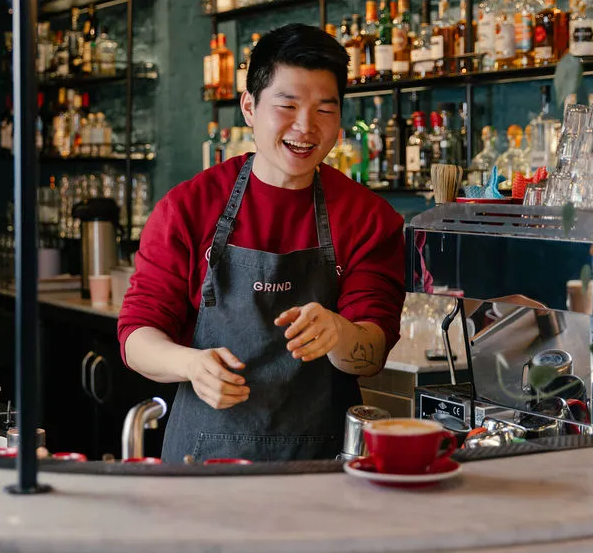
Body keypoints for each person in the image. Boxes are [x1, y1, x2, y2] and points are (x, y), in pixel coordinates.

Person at [117, 23, 405, 463]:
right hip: (203, 463)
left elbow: (370, 353)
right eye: (287, 105)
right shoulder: (188, 207)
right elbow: (136, 336)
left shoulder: (367, 218)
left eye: (325, 110)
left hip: (322, 468)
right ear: (249, 107)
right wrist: (191, 366)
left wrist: (340, 333)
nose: (305, 126)